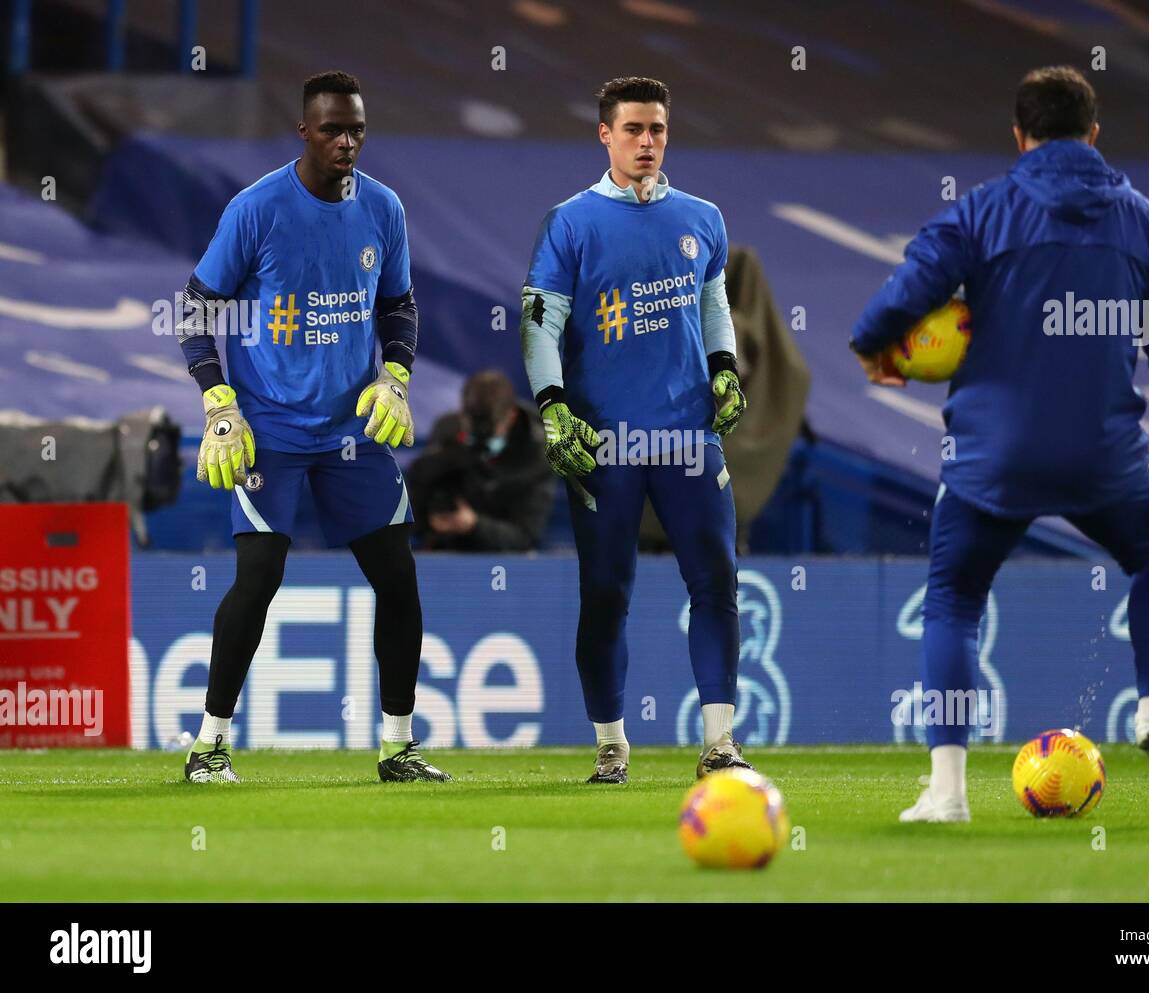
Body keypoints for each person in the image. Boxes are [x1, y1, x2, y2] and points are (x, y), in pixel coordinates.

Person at [850, 66, 1149, 823]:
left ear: (1018, 134)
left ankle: (947, 792)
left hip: (992, 458)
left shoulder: (982, 213)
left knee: (955, 600)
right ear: (1094, 134)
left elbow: (905, 290)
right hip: (1105, 456)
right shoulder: (1143, 222)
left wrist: (875, 345)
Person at [175, 70, 451, 785]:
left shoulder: (384, 210)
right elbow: (197, 309)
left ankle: (397, 746)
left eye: (357, 128)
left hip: (350, 431)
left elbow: (399, 306)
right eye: (332, 129)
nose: (347, 142)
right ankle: (208, 744)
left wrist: (396, 374)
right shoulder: (257, 209)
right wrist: (219, 404)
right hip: (269, 428)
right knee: (260, 574)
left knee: (398, 579)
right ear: (304, 130)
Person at [519, 77, 750, 783]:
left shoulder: (704, 219)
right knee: (606, 592)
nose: (647, 142)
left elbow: (713, 308)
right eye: (633, 130)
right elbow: (540, 323)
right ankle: (612, 745)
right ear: (604, 135)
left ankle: (719, 743)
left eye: (657, 130)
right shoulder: (570, 222)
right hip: (605, 444)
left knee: (716, 583)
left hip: (688, 437)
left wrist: (725, 369)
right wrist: (553, 405)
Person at [409, 369, 554, 552]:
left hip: (508, 555)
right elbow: (421, 498)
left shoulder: (538, 453)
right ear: (462, 414)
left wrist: (474, 524)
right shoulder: (447, 432)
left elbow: (525, 536)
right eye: (473, 432)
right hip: (447, 547)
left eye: (488, 434)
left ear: (511, 417)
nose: (480, 443)